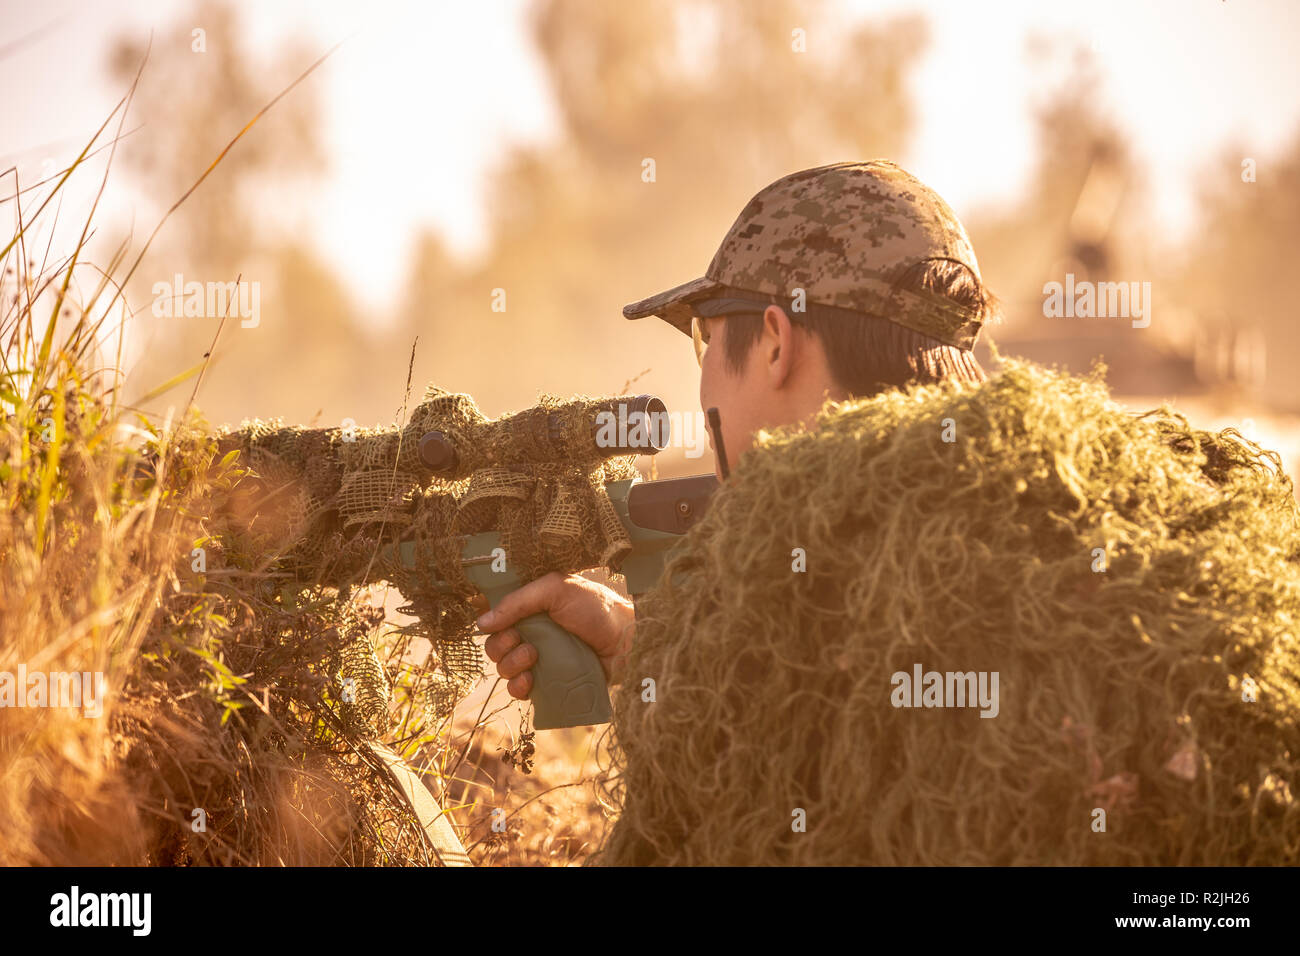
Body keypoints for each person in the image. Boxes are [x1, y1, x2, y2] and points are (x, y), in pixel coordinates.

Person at [478, 160, 996, 704]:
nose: (703, 384)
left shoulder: (870, 592)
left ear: (775, 344)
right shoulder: (970, 541)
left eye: (706, 338)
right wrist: (638, 643)